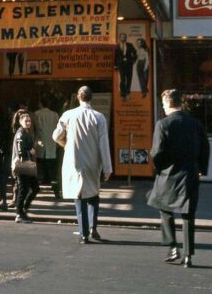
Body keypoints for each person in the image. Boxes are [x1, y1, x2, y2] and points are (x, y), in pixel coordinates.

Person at [147, 89, 210, 268]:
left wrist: (160, 168)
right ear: (180, 103)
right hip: (189, 173)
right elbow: (205, 147)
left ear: (167, 104)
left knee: (164, 208)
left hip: (168, 174)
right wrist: (202, 169)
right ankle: (188, 255)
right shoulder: (195, 124)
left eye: (164, 105)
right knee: (188, 215)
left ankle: (172, 246)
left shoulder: (163, 124)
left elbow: (157, 152)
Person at [53, 86, 112, 244]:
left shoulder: (68, 115)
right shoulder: (99, 117)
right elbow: (104, 144)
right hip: (93, 161)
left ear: (78, 98)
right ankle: (93, 227)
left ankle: (83, 233)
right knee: (93, 193)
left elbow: (56, 135)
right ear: (91, 98)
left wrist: (64, 144)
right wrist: (107, 167)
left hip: (75, 160)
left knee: (79, 196)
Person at [11, 110, 38, 223]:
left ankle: (23, 209)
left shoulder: (27, 132)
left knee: (35, 188)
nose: (28, 122)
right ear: (21, 121)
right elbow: (20, 148)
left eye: (29, 121)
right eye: (26, 121)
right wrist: (28, 151)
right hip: (23, 165)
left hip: (28, 165)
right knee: (23, 190)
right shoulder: (21, 133)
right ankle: (19, 213)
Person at [34, 93, 61, 198]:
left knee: (40, 161)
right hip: (52, 141)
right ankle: (50, 179)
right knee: (51, 162)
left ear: (41, 103)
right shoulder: (54, 114)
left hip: (40, 140)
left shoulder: (36, 114)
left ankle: (42, 178)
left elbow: (36, 128)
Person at [115, 33, 137, 101]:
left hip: (129, 65)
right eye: (122, 37)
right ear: (120, 38)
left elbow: (135, 53)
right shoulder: (117, 46)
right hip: (121, 65)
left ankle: (127, 93)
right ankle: (122, 94)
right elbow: (115, 56)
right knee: (122, 79)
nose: (123, 38)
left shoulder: (130, 45)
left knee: (129, 79)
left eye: (124, 37)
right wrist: (115, 65)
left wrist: (132, 61)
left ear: (126, 38)